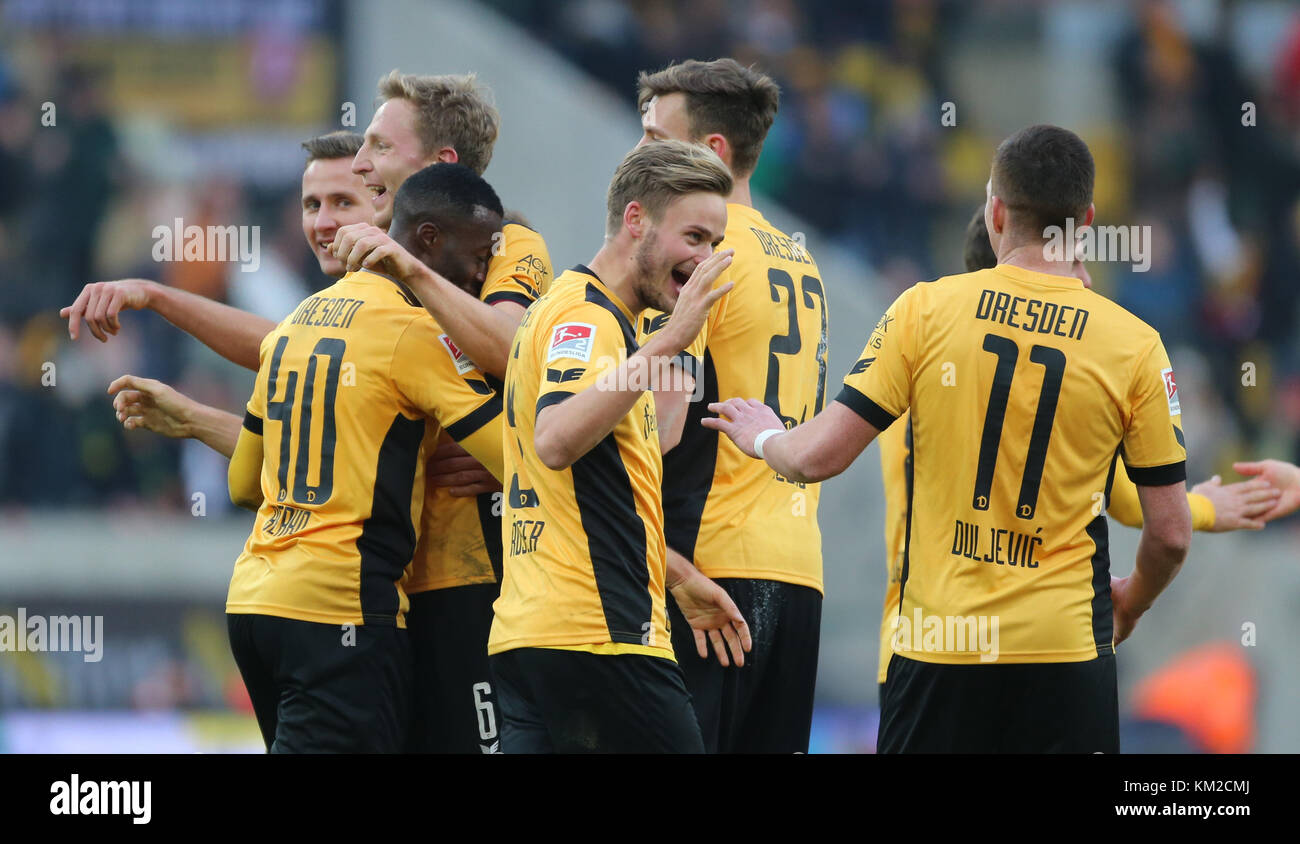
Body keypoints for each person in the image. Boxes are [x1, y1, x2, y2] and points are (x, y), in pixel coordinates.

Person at [69, 71, 554, 753]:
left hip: (463, 579)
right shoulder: (354, 303)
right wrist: (162, 306)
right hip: (376, 595)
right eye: (313, 203)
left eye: (371, 160)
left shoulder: (500, 246)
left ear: (434, 166)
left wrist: (507, 460)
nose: (328, 217)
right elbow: (284, 378)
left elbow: (513, 356)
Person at [706, 125, 1192, 753]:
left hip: (941, 650)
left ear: (995, 212)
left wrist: (764, 436)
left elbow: (815, 456)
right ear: (1087, 222)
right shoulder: (1135, 345)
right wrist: (1134, 601)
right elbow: (1171, 534)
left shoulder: (926, 310)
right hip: (1065, 649)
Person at [868, 206, 1285, 697]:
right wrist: (1209, 507)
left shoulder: (915, 358)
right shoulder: (1065, 386)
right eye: (1074, 265)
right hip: (1040, 644)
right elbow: (1137, 507)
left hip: (919, 642)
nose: (1085, 280)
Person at [224, 162, 506, 752]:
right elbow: (518, 457)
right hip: (341, 610)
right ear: (428, 240)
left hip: (255, 602)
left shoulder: (291, 326)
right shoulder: (416, 332)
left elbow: (244, 481)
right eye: (479, 254)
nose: (483, 272)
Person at [482, 140, 748, 752]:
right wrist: (665, 342)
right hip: (600, 637)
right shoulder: (588, 318)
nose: (706, 257)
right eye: (694, 237)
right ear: (636, 220)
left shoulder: (593, 317)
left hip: (532, 639)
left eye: (714, 242)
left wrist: (679, 338)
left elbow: (650, 442)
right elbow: (555, 439)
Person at [632, 58, 828, 753]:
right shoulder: (799, 260)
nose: (638, 155)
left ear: (711, 151)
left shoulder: (698, 256)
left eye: (656, 138)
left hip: (708, 568)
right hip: (798, 570)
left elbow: (660, 425)